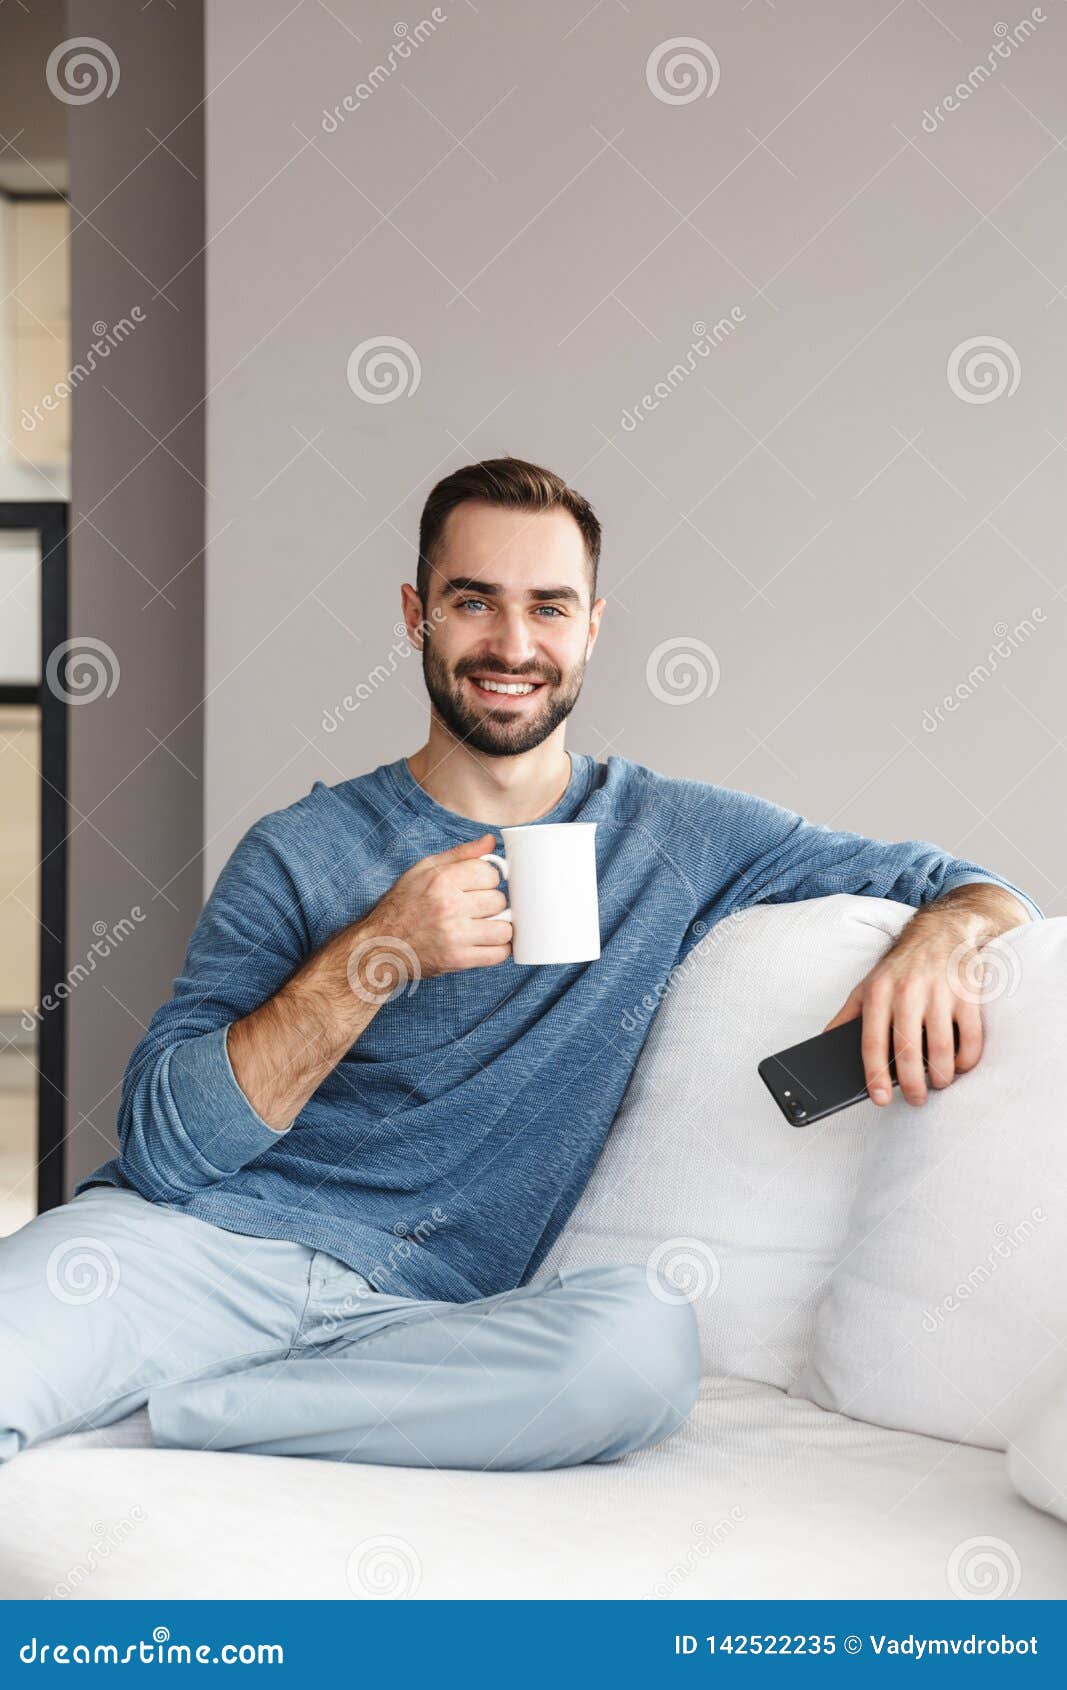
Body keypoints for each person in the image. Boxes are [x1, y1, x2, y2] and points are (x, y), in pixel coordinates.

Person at [0, 457, 1040, 1471]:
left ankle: (175, 1418)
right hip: (195, 1255)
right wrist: (376, 953)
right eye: (472, 602)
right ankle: (214, 1397)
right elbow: (164, 1149)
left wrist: (938, 941)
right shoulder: (302, 847)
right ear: (415, 615)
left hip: (426, 1317)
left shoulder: (672, 835)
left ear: (590, 627)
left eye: (548, 607)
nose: (511, 644)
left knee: (635, 1352)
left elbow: (967, 883)